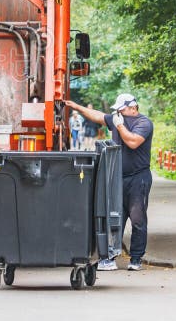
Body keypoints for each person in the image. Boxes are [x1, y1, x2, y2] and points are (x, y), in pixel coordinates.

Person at [65, 93, 154, 272]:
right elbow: (97, 116)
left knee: (137, 219)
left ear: (133, 107)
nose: (118, 113)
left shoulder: (143, 124)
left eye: (121, 110)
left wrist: (119, 125)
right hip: (119, 177)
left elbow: (133, 142)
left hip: (139, 178)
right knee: (115, 217)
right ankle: (109, 258)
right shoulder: (117, 119)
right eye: (117, 111)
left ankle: (136, 258)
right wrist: (76, 107)